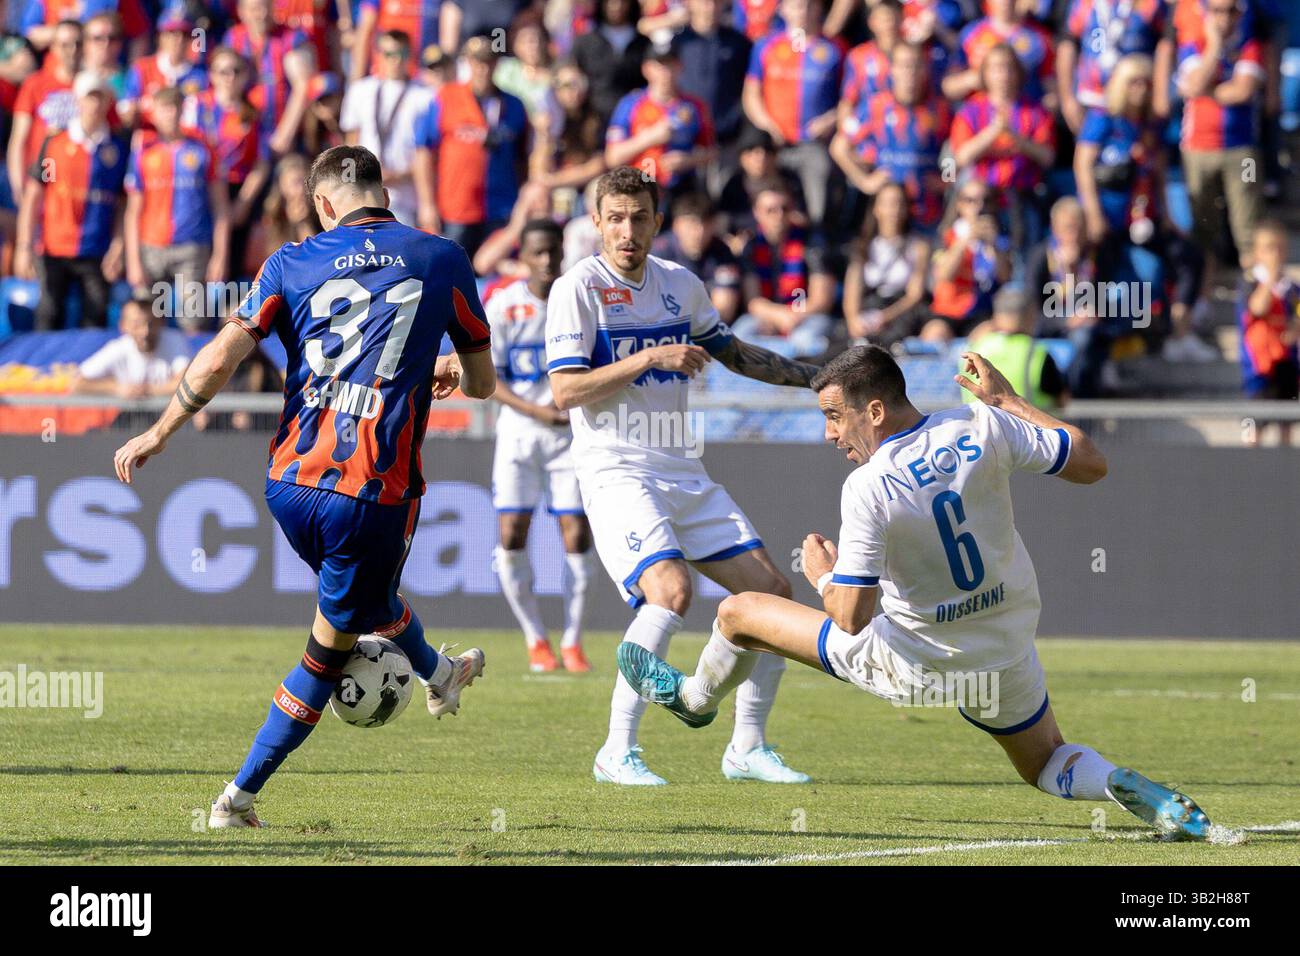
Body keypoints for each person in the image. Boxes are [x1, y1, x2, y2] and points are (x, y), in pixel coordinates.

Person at [617, 344, 1214, 842]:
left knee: (738, 611)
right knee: (1045, 761)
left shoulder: (869, 485)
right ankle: (1119, 784)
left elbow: (850, 618)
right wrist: (1007, 401)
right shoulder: (981, 424)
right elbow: (1090, 463)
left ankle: (695, 702)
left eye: (834, 416)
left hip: (914, 660)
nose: (829, 434)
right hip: (1005, 648)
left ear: (873, 411)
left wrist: (823, 574)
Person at [111, 145, 498, 827]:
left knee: (371, 598)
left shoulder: (289, 261)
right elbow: (484, 384)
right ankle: (238, 798)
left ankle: (440, 675)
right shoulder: (441, 258)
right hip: (371, 490)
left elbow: (221, 354)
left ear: (324, 205)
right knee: (329, 650)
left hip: (289, 482)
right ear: (385, 192)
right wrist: (443, 370)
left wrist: (161, 429)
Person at [545, 166, 819, 786]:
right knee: (670, 592)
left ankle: (745, 747)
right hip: (616, 467)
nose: (627, 230)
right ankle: (617, 750)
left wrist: (813, 377)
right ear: (596, 222)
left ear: (657, 223)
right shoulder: (578, 288)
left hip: (680, 467)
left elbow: (736, 354)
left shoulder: (680, 285)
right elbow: (564, 390)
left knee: (773, 596)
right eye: (614, 218)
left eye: (639, 217)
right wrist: (652, 356)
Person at [488, 219, 596, 673]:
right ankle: (536, 638)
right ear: (524, 255)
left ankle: (572, 641)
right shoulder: (504, 305)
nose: (548, 260)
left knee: (576, 533)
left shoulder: (580, 300)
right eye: (538, 252)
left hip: (571, 434)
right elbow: (487, 378)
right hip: (519, 432)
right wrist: (538, 412)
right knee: (512, 535)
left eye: (554, 251)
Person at [14, 71, 129, 330]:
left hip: (96, 250)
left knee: (95, 317)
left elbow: (122, 204)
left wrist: (118, 246)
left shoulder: (118, 149)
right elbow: (33, 196)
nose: (95, 105)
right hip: (53, 248)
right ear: (78, 101)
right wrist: (24, 246)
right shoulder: (54, 144)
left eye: (101, 98)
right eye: (90, 97)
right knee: (49, 313)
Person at [412, 36, 532, 259]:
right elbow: (423, 151)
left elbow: (523, 158)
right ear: (467, 62)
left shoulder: (513, 104)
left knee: (496, 275)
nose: (483, 68)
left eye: (488, 61)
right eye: (477, 62)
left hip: (501, 205)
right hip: (456, 206)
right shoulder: (447, 97)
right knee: (451, 273)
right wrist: (427, 204)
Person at [124, 87, 230, 329]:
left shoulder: (203, 149)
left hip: (191, 248)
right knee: (145, 323)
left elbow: (221, 208)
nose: (170, 114)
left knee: (193, 323)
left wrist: (219, 256)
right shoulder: (143, 151)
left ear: (183, 111)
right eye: (164, 108)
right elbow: (133, 211)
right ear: (154, 113)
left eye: (174, 107)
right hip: (151, 248)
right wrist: (133, 260)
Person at [742, 0, 842, 232]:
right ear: (783, 9)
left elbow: (848, 101)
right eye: (796, 5)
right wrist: (767, 126)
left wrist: (830, 120)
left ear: (818, 8)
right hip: (773, 143)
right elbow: (751, 94)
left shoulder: (834, 49)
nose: (803, 11)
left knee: (821, 173)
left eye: (809, 5)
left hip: (813, 143)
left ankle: (818, 235)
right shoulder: (765, 45)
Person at [339, 29, 433, 226]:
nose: (396, 60)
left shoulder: (425, 95)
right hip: (364, 194)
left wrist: (399, 174)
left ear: (411, 55)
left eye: (402, 54)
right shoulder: (360, 90)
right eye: (389, 54)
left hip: (406, 197)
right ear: (378, 54)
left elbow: (427, 152)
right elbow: (350, 144)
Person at [734, 179, 838, 357]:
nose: (779, 215)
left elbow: (822, 300)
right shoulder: (751, 247)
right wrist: (778, 315)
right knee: (738, 336)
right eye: (770, 210)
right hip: (769, 316)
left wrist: (792, 316)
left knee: (804, 341)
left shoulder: (812, 242)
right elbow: (754, 301)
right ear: (757, 213)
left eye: (785, 209)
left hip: (807, 316)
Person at [605, 46, 716, 201]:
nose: (666, 73)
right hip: (641, 185)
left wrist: (688, 160)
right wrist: (649, 138)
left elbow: (711, 151)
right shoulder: (630, 104)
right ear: (647, 69)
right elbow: (612, 157)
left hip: (682, 188)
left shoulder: (694, 106)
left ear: (680, 67)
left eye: (671, 65)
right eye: (660, 66)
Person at [842, 180, 932, 346]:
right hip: (870, 306)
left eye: (899, 203)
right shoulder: (863, 246)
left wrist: (883, 317)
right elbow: (851, 293)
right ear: (876, 208)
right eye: (888, 204)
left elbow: (915, 294)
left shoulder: (918, 246)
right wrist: (854, 320)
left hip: (902, 312)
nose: (894, 210)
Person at [1238, 220, 1299, 444]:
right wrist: (1271, 278)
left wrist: (1295, 327)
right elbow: (1257, 307)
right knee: (1254, 426)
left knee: (1286, 423)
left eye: (1280, 248)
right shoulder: (1250, 283)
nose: (1275, 254)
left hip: (1286, 365)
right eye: (1268, 248)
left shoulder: (1291, 288)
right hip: (1258, 368)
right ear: (1257, 252)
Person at [963, 286, 1067, 410]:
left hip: (979, 426)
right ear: (1029, 316)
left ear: (996, 315)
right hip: (1027, 427)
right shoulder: (1036, 351)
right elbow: (1062, 400)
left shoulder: (975, 346)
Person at [652, 191, 743, 325]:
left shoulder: (722, 252)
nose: (699, 232)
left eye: (706, 224)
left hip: (709, 329)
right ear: (677, 225)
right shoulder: (658, 253)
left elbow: (724, 310)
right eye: (692, 224)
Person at [72, 296, 191, 397]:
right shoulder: (118, 348)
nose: (145, 332)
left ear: (161, 323)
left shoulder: (175, 340)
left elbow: (187, 383)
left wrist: (145, 390)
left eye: (151, 324)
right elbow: (77, 383)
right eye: (136, 325)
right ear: (123, 326)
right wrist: (117, 388)